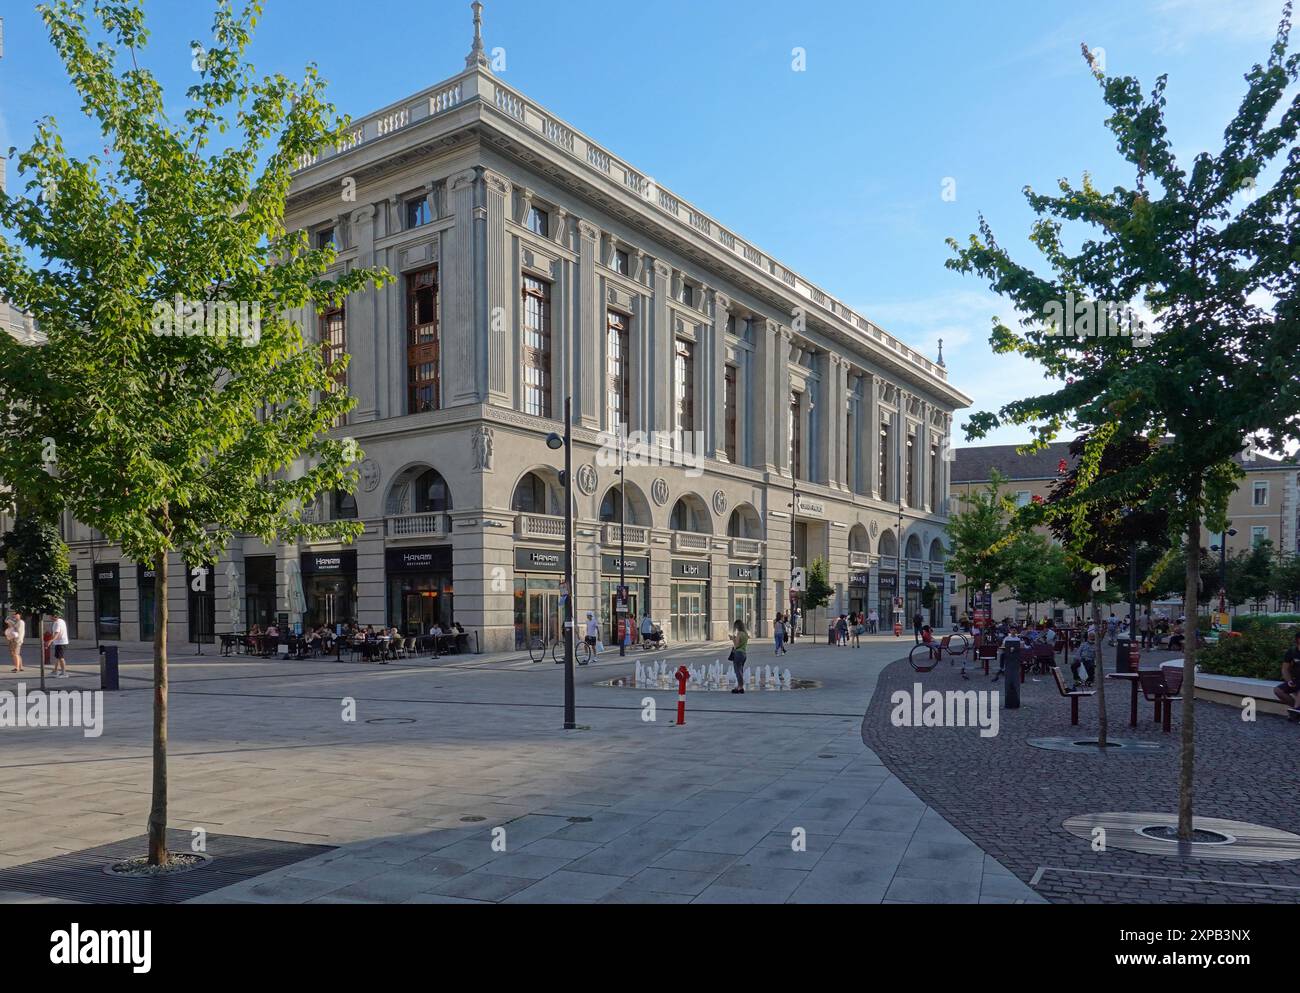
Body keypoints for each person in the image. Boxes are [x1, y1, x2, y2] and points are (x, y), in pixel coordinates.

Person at [1274, 632, 1300, 719]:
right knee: (1278, 690)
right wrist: (1289, 681)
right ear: (1298, 640)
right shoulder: (1292, 652)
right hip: (1296, 680)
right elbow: (1285, 669)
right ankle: (1296, 710)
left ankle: (1296, 711)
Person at [728, 620, 749, 694]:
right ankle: (739, 686)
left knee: (737, 671)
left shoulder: (739, 633)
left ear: (737, 626)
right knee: (740, 670)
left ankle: (740, 687)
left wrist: (732, 638)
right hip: (744, 654)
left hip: (738, 653)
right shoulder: (746, 634)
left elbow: (736, 645)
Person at [49, 611, 69, 678]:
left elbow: (57, 634)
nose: (49, 617)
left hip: (60, 642)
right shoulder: (61, 621)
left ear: (53, 616)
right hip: (60, 642)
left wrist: (50, 641)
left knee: (61, 658)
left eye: (50, 616)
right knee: (57, 657)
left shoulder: (57, 623)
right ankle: (55, 671)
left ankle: (64, 673)